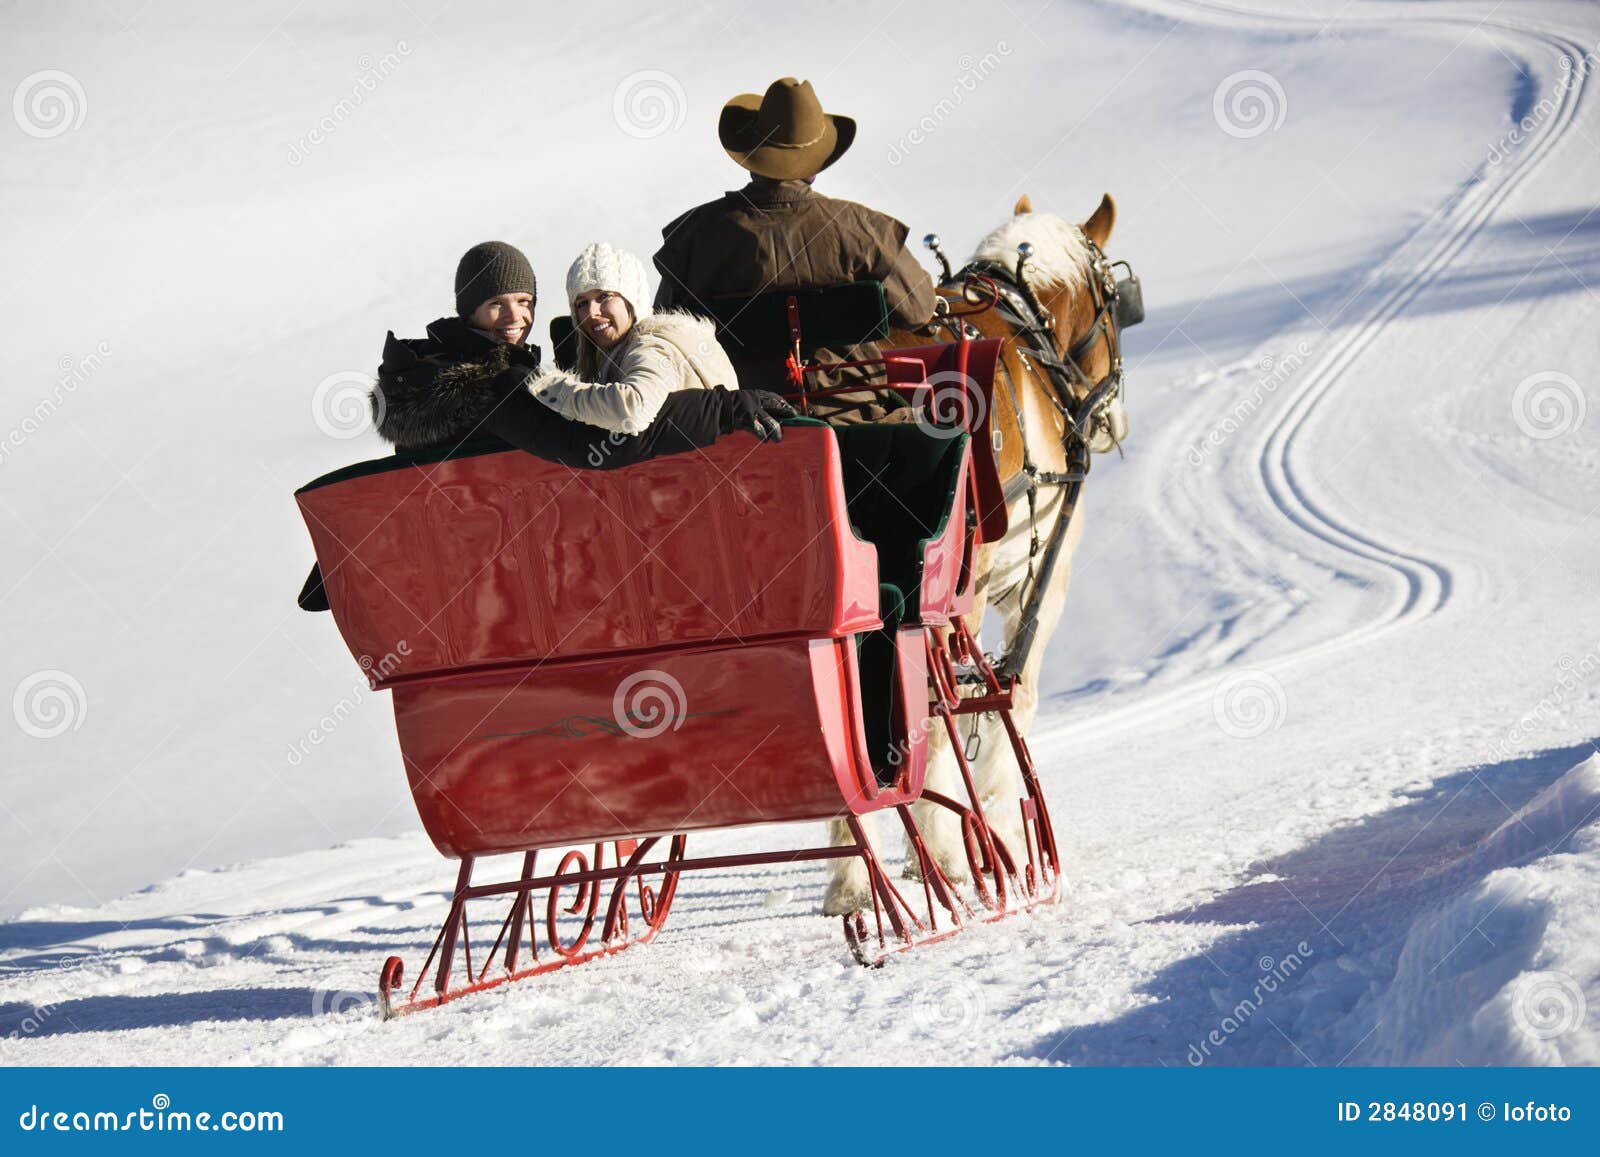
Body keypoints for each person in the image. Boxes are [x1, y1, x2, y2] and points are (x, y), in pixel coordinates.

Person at [651, 78, 938, 421]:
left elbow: (664, 330)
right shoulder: (864, 230)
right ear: (815, 164)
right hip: (852, 416)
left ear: (751, 155)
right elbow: (919, 310)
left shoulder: (693, 237)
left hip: (738, 422)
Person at [371, 240, 792, 460]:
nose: (514, 317)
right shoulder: (488, 381)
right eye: (495, 304)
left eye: (524, 302)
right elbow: (595, 440)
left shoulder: (440, 366)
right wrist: (723, 410)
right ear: (469, 313)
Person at [527, 242, 739, 435]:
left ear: (632, 300)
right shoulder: (617, 353)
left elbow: (632, 410)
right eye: (581, 303)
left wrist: (552, 389)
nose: (591, 312)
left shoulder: (653, 346)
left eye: (604, 297)